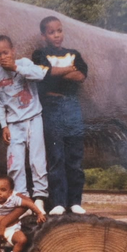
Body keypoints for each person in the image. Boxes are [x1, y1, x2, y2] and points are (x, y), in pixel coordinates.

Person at [32, 16, 89, 216]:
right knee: (56, 156)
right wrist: (67, 70)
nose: (56, 35)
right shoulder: (39, 54)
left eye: (59, 31)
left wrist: (57, 72)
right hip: (51, 105)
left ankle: (75, 201)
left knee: (74, 156)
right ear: (43, 35)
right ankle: (58, 201)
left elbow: (81, 76)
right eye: (51, 32)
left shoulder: (74, 54)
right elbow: (44, 75)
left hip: (72, 105)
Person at [0, 34, 49, 213]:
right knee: (15, 163)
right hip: (14, 123)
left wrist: (15, 67)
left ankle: (40, 197)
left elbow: (40, 75)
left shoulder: (24, 64)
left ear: (13, 51)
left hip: (33, 118)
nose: (3, 57)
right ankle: (22, 198)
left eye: (6, 52)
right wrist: (4, 126)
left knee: (37, 159)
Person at [0, 175, 46, 252]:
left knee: (22, 240)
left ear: (10, 192)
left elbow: (28, 203)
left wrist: (39, 213)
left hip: (12, 229)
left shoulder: (14, 200)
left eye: (3, 190)